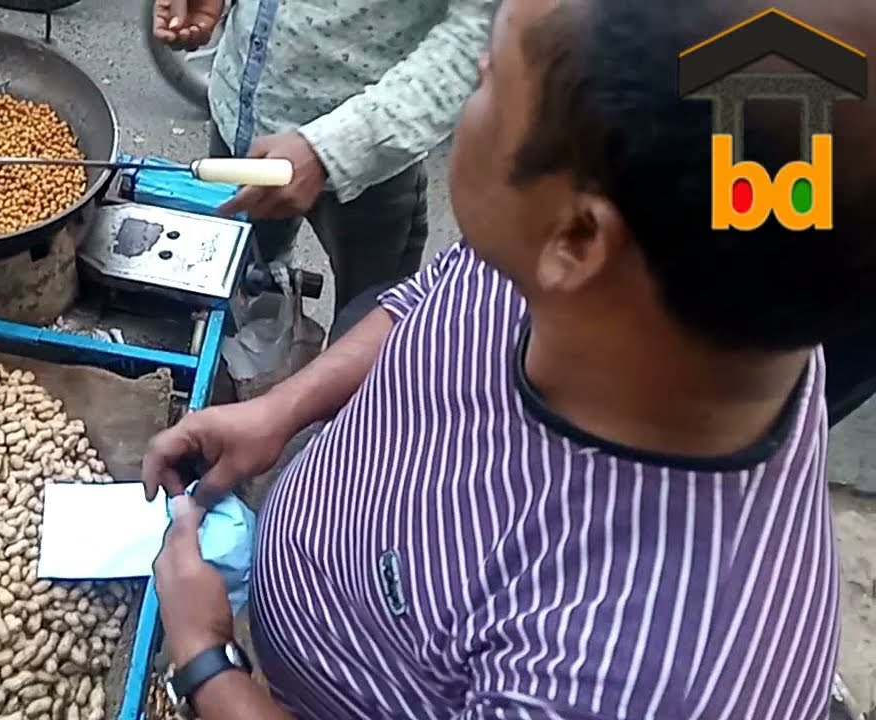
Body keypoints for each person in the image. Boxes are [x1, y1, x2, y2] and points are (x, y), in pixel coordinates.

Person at [145, 0, 876, 716]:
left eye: (488, 78)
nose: (469, 98)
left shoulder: (639, 675)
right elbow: (437, 298)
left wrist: (211, 665)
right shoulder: (687, 286)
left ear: (580, 239)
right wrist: (282, 408)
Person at [152, 0, 490, 312]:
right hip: (240, 117)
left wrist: (333, 152)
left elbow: (478, 34)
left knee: (365, 323)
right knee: (243, 282)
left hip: (370, 163)